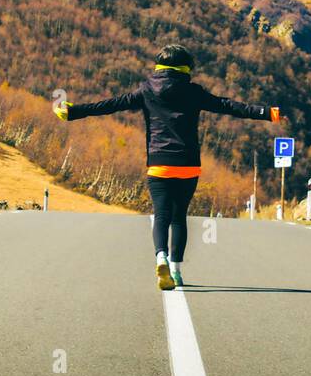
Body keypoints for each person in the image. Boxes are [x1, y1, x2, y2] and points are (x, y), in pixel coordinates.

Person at [54, 44, 280, 290]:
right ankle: (176, 270)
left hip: (159, 164)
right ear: (186, 67)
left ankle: (160, 256)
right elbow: (228, 106)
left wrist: (74, 112)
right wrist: (267, 113)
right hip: (187, 164)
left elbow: (111, 104)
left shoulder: (146, 90)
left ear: (159, 66)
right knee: (179, 217)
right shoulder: (194, 92)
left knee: (161, 215)